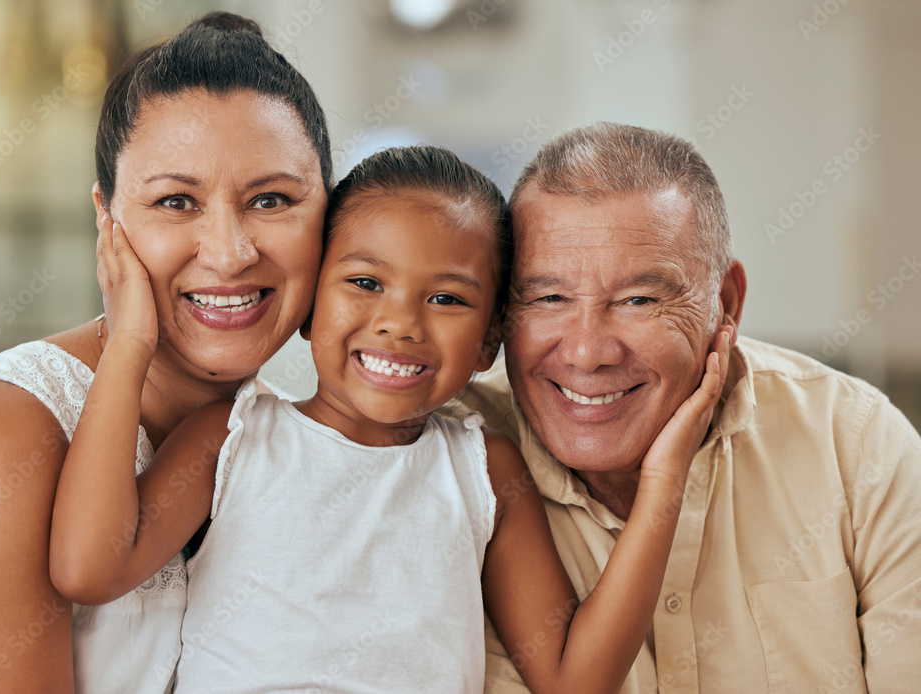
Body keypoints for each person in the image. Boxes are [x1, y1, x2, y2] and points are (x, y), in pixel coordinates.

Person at [49, 144, 733, 693]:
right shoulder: (231, 437)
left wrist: (663, 479)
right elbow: (89, 568)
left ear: (490, 344)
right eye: (366, 283)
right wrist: (130, 341)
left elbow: (575, 680)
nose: (400, 324)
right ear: (310, 304)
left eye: (446, 298)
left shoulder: (483, 469)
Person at [0, 12, 331, 693]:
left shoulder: (290, 441)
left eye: (271, 199)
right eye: (176, 201)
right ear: (105, 218)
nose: (230, 252)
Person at [447, 123, 921, 693]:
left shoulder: (858, 444)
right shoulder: (446, 465)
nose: (586, 352)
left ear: (725, 304)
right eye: (549, 298)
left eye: (639, 300)